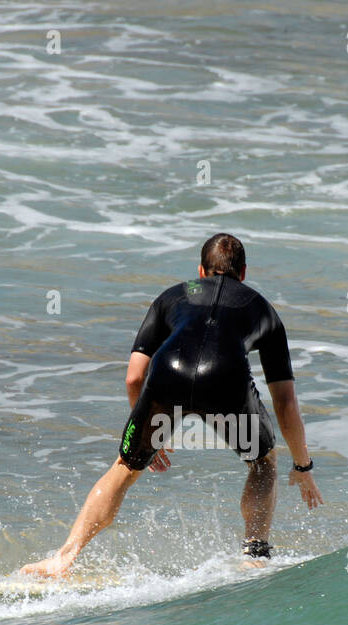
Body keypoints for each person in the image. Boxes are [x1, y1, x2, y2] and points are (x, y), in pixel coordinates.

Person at [20, 233, 322, 578]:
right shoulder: (263, 309)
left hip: (168, 372)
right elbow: (285, 401)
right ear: (243, 273)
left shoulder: (171, 296)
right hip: (225, 379)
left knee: (126, 466)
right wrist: (303, 466)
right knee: (263, 462)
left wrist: (151, 433)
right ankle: (254, 555)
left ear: (200, 270)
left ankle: (64, 559)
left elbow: (134, 377)